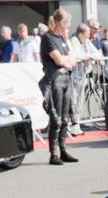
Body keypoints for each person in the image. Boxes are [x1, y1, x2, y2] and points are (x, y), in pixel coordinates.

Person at [41, 9, 77, 165]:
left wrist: (67, 59)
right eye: (65, 22)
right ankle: (53, 153)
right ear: (58, 22)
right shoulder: (47, 38)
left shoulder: (63, 38)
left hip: (66, 79)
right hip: (54, 80)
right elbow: (58, 60)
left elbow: (73, 58)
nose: (67, 25)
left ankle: (63, 150)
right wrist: (65, 60)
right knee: (56, 118)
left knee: (65, 118)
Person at [68, 23, 96, 133]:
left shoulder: (87, 41)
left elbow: (97, 53)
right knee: (73, 101)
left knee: (79, 101)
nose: (89, 36)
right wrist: (88, 56)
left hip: (83, 76)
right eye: (87, 34)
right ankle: (72, 125)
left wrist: (89, 56)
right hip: (73, 76)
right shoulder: (74, 40)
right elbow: (77, 55)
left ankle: (76, 125)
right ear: (80, 34)